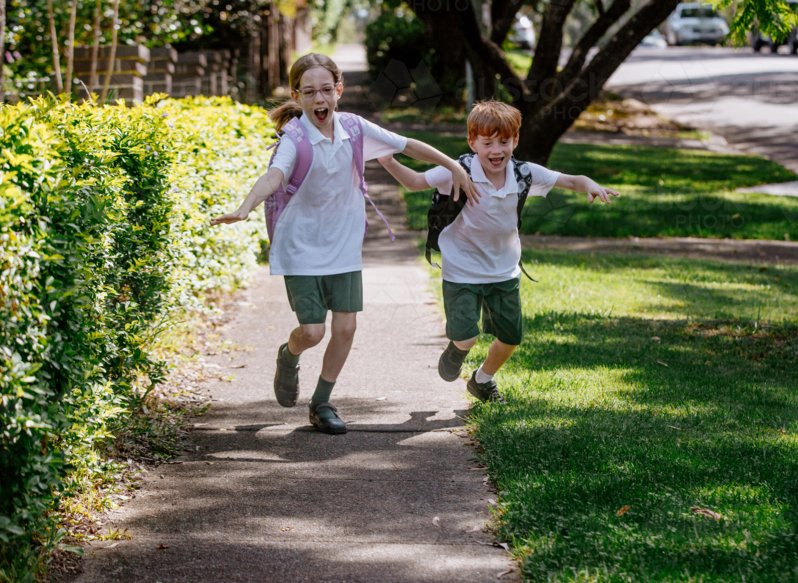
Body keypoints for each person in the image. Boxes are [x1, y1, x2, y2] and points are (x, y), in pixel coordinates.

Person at [211, 53, 480, 434]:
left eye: (325, 90)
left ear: (338, 91)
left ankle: (322, 402)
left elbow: (408, 145)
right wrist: (244, 208)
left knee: (346, 329)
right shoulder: (295, 138)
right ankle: (289, 356)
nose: (319, 99)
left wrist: (454, 166)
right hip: (300, 247)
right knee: (312, 332)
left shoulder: (354, 129)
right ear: (297, 96)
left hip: (343, 246)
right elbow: (273, 176)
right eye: (309, 92)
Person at [377, 99, 618, 403]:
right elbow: (413, 182)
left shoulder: (523, 174)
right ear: (472, 142)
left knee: (510, 338)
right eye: (487, 142)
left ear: (515, 140)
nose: (496, 150)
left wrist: (589, 184)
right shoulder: (457, 170)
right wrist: (388, 161)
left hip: (504, 271)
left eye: (504, 141)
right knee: (466, 336)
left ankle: (482, 379)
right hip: (461, 270)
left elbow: (569, 179)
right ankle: (457, 350)